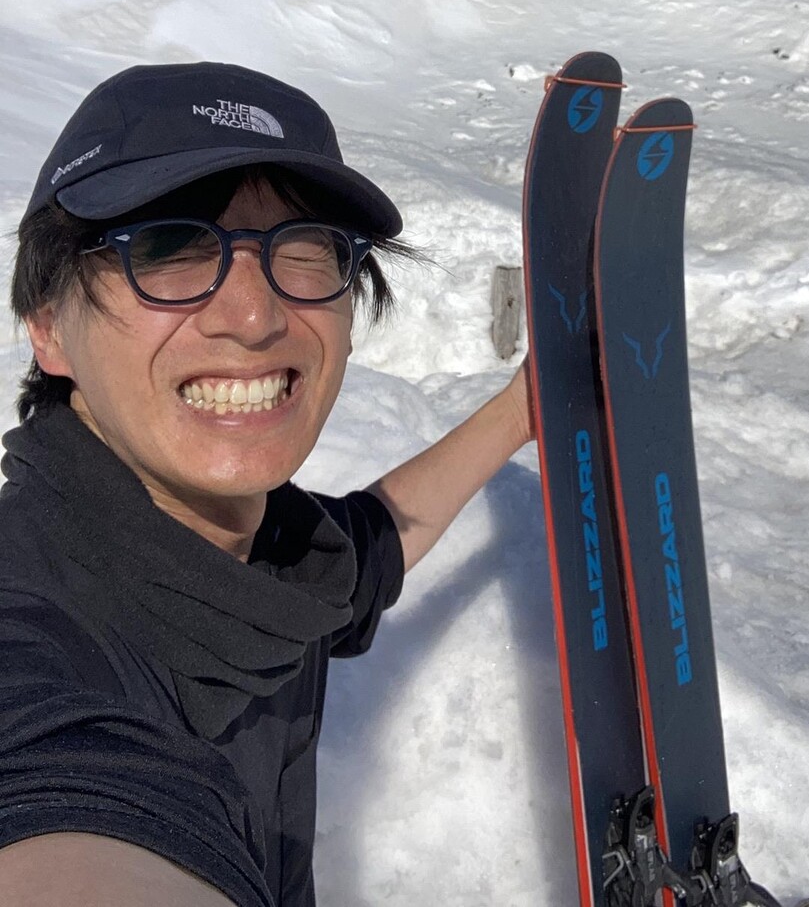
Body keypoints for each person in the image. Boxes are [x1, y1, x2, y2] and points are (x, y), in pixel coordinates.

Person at [0, 61, 533, 907]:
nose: (254, 316)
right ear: (48, 329)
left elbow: (377, 540)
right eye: (168, 250)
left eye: (303, 250)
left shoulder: (269, 557)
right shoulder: (33, 628)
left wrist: (521, 411)